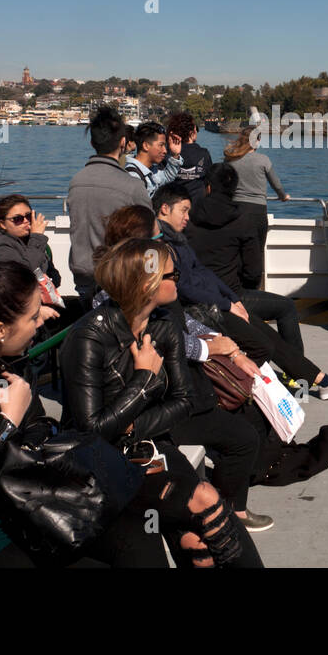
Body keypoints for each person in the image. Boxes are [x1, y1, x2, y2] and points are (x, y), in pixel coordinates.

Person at [0, 261, 165, 567]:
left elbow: (39, 425)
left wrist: (21, 429)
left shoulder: (4, 362)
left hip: (27, 505)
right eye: (33, 316)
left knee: (140, 527)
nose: (41, 323)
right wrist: (7, 425)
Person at [61, 239, 263, 566]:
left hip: (150, 446)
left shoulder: (164, 325)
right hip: (101, 464)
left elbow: (184, 401)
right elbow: (90, 429)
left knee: (199, 535)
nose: (179, 280)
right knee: (202, 503)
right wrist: (143, 380)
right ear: (147, 284)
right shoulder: (89, 337)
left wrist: (132, 425)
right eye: (172, 275)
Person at [95, 205, 271, 531]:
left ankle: (235, 486)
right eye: (156, 236)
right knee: (244, 436)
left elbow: (181, 323)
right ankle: (232, 511)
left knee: (250, 412)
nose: (164, 242)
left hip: (181, 393)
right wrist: (210, 348)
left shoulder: (153, 293)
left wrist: (223, 345)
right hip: (162, 410)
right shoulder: (119, 303)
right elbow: (171, 342)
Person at [154, 185, 328, 400]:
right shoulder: (163, 245)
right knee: (262, 344)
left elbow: (203, 272)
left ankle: (322, 380)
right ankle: (239, 390)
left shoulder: (179, 241)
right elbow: (183, 289)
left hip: (215, 304)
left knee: (267, 334)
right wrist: (227, 305)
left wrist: (233, 300)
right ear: (164, 209)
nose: (187, 217)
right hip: (201, 311)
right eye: (183, 210)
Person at [186, 163, 307, 355]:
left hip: (194, 295)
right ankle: (296, 370)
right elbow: (253, 271)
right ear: (234, 189)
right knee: (287, 307)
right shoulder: (243, 220)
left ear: (208, 187)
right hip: (231, 294)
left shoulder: (188, 218)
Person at [66, 106, 151, 299]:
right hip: (117, 280)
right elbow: (151, 235)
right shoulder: (132, 186)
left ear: (92, 142)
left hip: (82, 274)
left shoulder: (76, 182)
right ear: (123, 142)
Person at [223, 126, 289, 287]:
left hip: (236, 210)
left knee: (236, 250)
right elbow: (277, 184)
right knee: (257, 252)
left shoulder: (231, 159)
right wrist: (283, 196)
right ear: (256, 140)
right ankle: (254, 290)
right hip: (257, 211)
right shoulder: (263, 160)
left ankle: (235, 288)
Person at [125, 121, 184, 197]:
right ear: (146, 146)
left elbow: (167, 177)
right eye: (161, 145)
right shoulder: (134, 177)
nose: (165, 151)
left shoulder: (151, 170)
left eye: (165, 145)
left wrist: (175, 155)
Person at [167, 111, 213, 205]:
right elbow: (209, 184)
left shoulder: (168, 153)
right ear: (192, 132)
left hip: (174, 205)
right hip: (197, 207)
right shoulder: (203, 154)